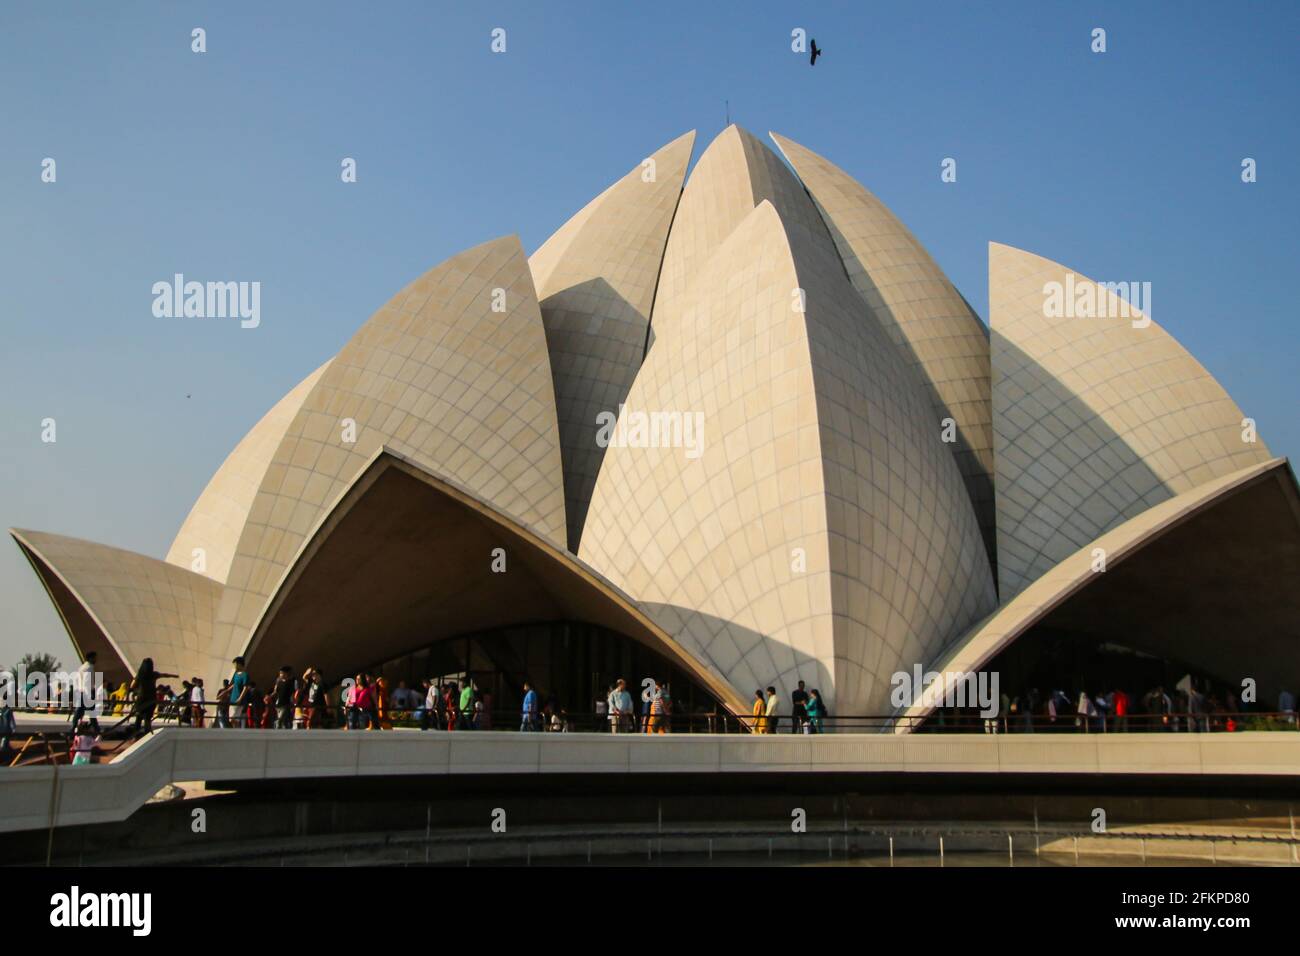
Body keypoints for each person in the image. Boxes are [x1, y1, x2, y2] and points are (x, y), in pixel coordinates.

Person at [129, 658, 176, 737]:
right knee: (148, 719)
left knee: (139, 718)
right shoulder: (154, 674)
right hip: (151, 699)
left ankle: (135, 736)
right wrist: (174, 676)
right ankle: (147, 736)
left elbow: (132, 686)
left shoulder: (140, 675)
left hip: (141, 698)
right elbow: (164, 675)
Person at [71, 651, 100, 733]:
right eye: (95, 657)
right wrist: (89, 695)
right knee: (91, 713)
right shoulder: (89, 668)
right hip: (86, 694)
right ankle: (97, 731)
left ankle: (72, 729)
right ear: (90, 658)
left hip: (80, 693)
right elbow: (87, 682)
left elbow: (78, 681)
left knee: (78, 713)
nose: (96, 659)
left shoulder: (82, 667)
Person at [228, 657, 251, 728]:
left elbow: (245, 687)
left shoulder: (245, 675)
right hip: (232, 699)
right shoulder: (236, 675)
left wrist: (240, 698)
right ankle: (236, 733)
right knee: (232, 719)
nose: (234, 666)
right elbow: (234, 684)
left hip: (239, 701)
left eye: (235, 664)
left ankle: (237, 734)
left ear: (239, 664)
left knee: (234, 719)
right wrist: (225, 691)